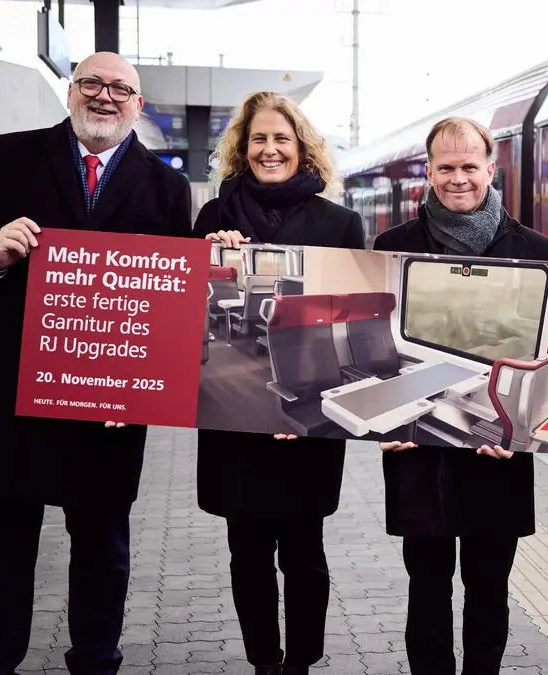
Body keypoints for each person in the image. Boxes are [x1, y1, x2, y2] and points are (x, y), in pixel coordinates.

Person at [0, 52, 193, 674]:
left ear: (138, 103)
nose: (106, 97)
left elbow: (173, 305)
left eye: (120, 88)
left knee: (102, 551)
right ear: (71, 91)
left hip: (108, 405)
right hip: (11, 394)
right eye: (93, 83)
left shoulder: (165, 187)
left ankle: (97, 663)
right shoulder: (12, 155)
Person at [373, 116, 548, 675]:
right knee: (425, 586)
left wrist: (524, 430)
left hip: (497, 450)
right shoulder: (392, 248)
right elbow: (377, 347)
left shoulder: (536, 249)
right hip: (419, 447)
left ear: (490, 169)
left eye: (469, 167)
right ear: (429, 173)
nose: (458, 179)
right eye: (446, 168)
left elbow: (545, 358)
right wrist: (384, 422)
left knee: (489, 587)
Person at [192, 90, 364, 675]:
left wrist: (313, 406)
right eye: (259, 139)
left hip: (305, 417)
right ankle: (265, 663)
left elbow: (352, 324)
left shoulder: (339, 223)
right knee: (246, 553)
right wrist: (210, 261)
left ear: (302, 148)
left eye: (281, 139)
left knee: (304, 552)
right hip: (235, 414)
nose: (270, 149)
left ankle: (301, 664)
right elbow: (187, 316)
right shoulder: (214, 220)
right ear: (243, 148)